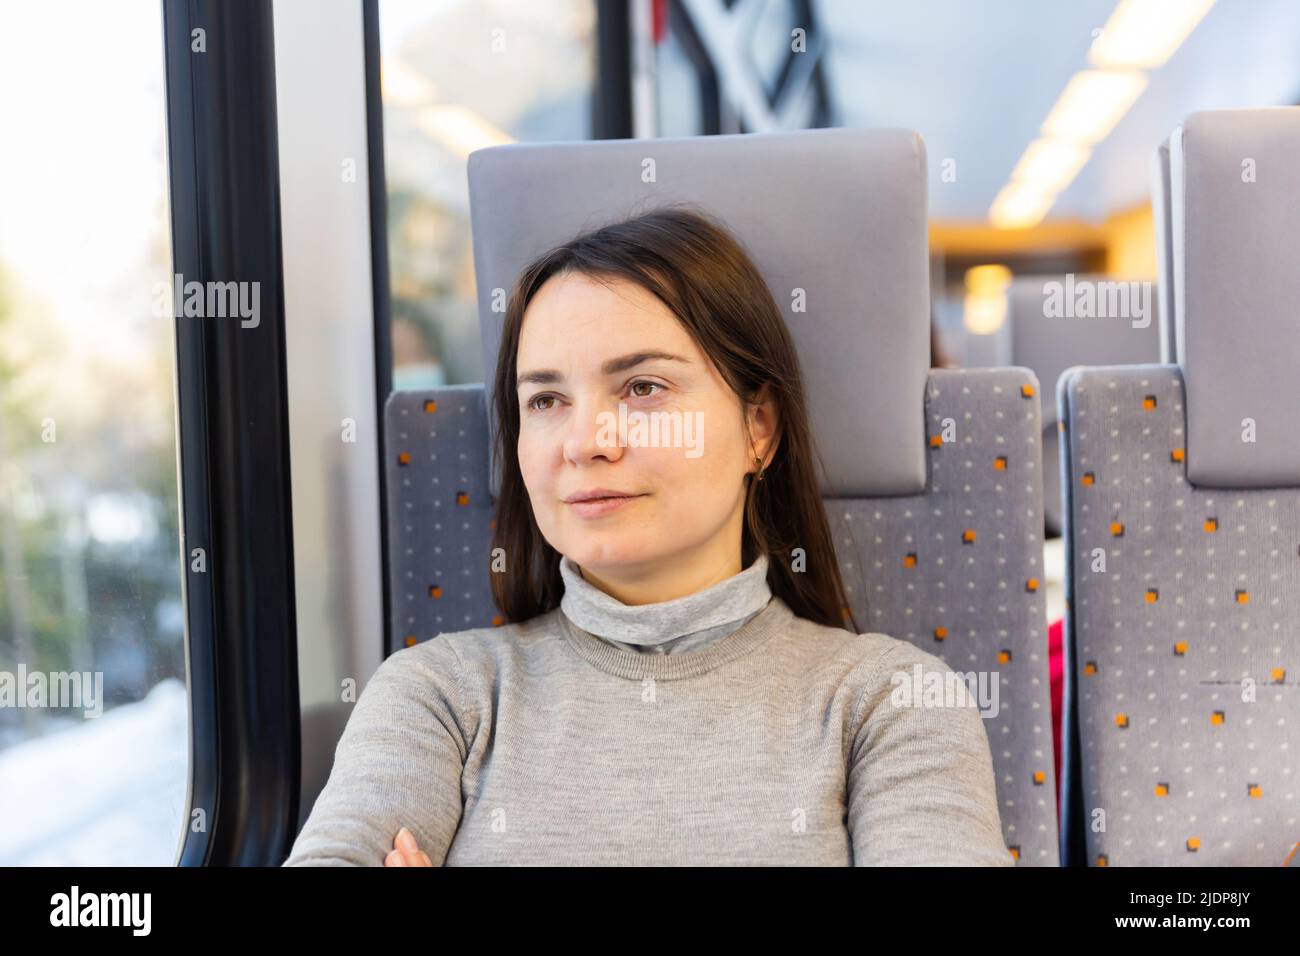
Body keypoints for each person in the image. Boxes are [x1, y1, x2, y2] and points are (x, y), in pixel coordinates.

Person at [283, 205, 1012, 866]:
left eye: (642, 389)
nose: (585, 442)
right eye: (545, 399)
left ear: (759, 429)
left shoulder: (891, 703)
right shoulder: (441, 696)